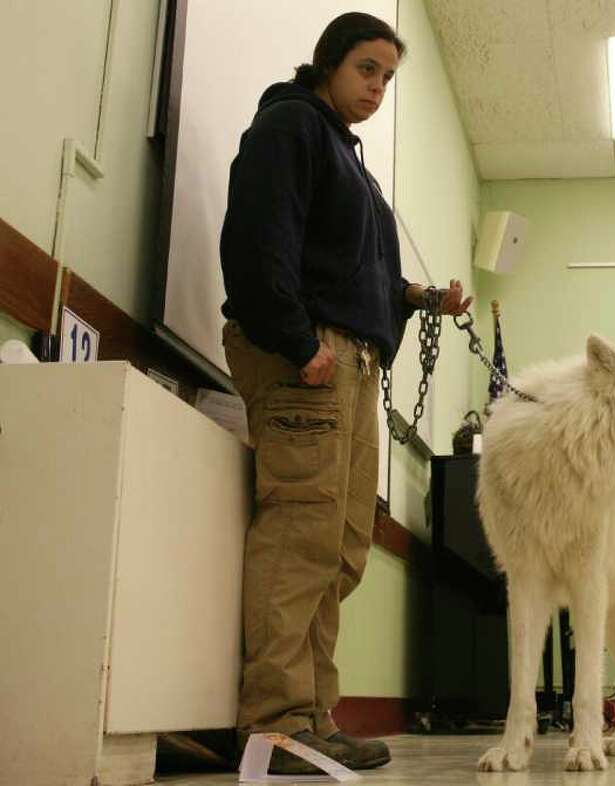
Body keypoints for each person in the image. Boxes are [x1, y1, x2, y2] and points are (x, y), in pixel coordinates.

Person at [219, 12, 471, 775]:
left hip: (353, 363)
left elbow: (353, 272)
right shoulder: (289, 128)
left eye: (389, 78)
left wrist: (423, 298)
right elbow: (256, 244)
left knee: (340, 549)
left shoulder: (346, 158)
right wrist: (300, 345)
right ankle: (275, 724)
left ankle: (313, 717)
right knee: (302, 536)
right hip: (312, 357)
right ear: (328, 63)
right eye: (367, 69)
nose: (378, 88)